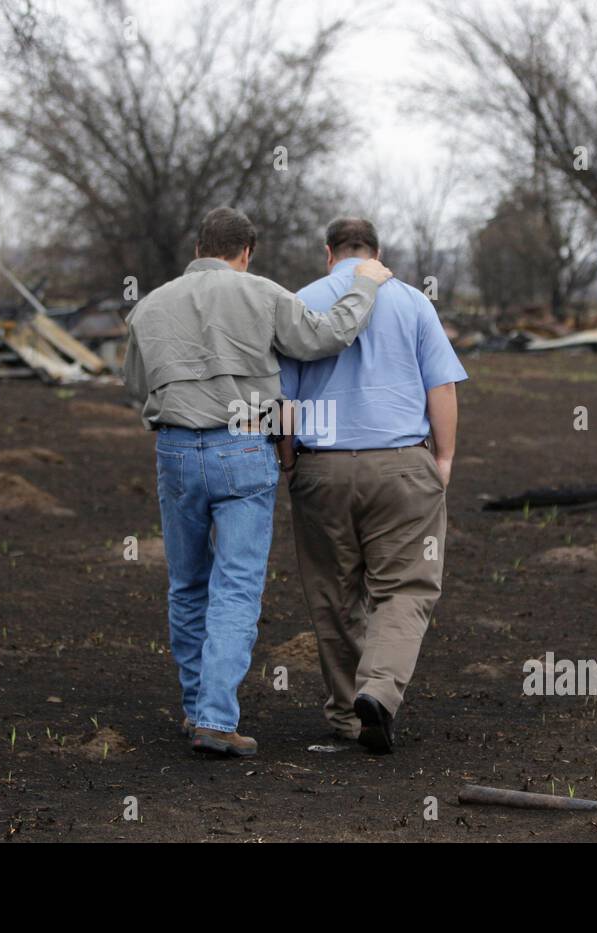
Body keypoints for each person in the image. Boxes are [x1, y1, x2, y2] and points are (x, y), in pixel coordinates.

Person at [122, 206, 393, 758]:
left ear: (198, 247)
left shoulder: (148, 307)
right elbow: (326, 337)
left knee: (187, 584)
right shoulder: (262, 293)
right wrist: (363, 285)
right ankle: (217, 721)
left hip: (174, 449)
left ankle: (196, 708)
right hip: (243, 445)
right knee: (237, 587)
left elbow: (135, 382)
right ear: (246, 252)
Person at [278, 217, 467, 753]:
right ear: (377, 254)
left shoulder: (299, 302)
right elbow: (442, 386)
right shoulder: (413, 301)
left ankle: (345, 716)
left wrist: (289, 461)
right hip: (403, 465)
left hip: (323, 467)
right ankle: (379, 692)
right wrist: (445, 458)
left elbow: (282, 400)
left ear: (327, 253)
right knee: (405, 586)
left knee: (333, 595)